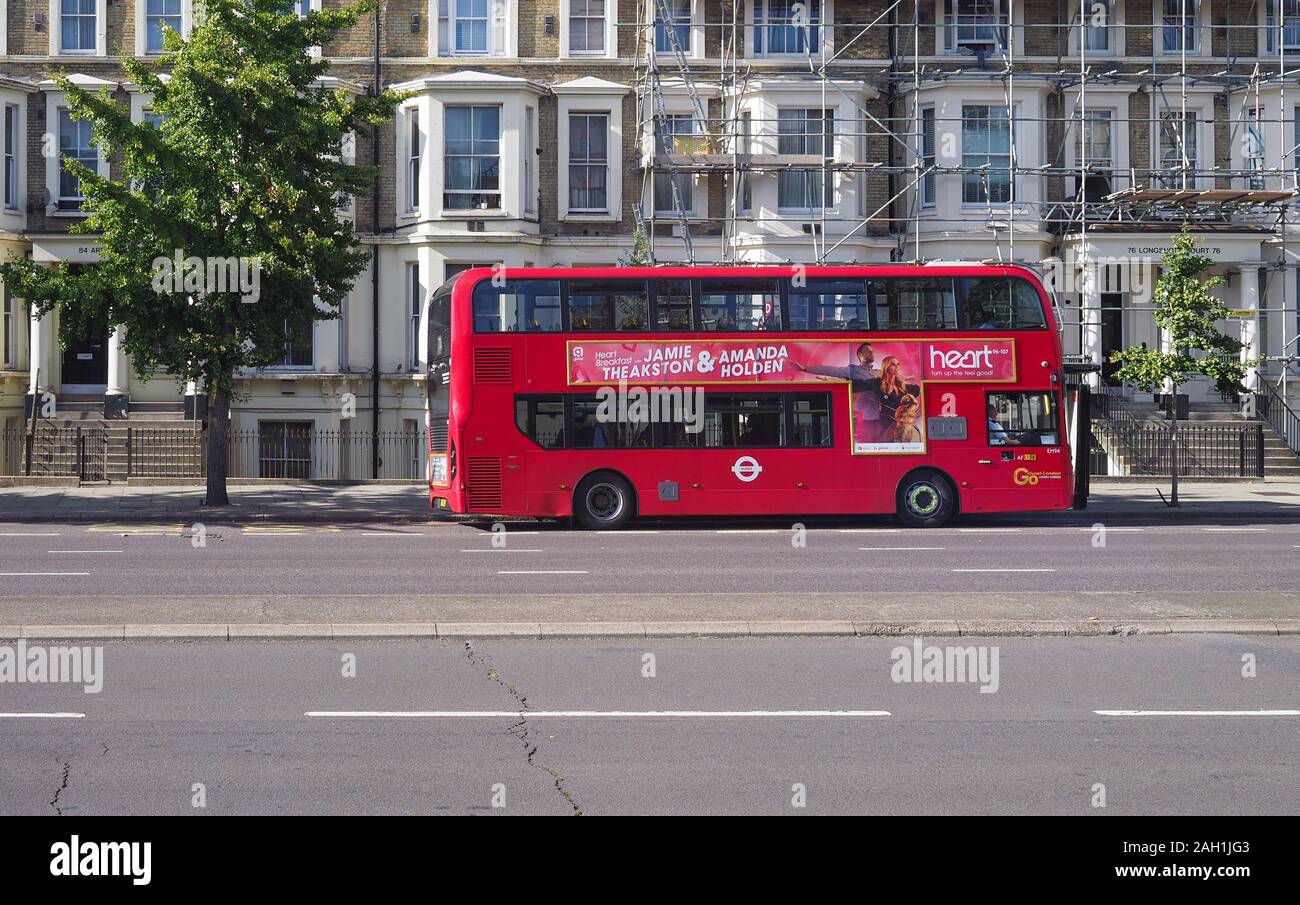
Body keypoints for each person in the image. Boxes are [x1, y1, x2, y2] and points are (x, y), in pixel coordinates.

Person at [792, 342, 884, 442]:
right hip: (864, 419)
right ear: (860, 355)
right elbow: (831, 370)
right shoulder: (853, 370)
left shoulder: (879, 372)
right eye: (868, 351)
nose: (872, 353)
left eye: (872, 351)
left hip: (879, 417)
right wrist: (806, 368)